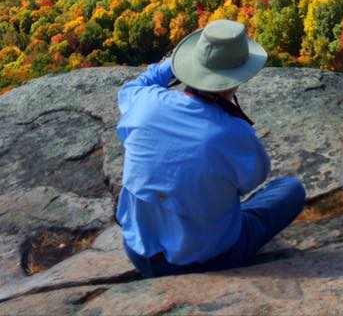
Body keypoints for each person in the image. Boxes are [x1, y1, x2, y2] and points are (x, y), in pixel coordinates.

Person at [116, 19, 306, 277]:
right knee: (290, 189)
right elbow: (252, 181)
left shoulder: (145, 103)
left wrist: (170, 66)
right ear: (238, 78)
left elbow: (132, 87)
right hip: (212, 258)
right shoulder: (233, 133)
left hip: (139, 254)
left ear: (192, 66)